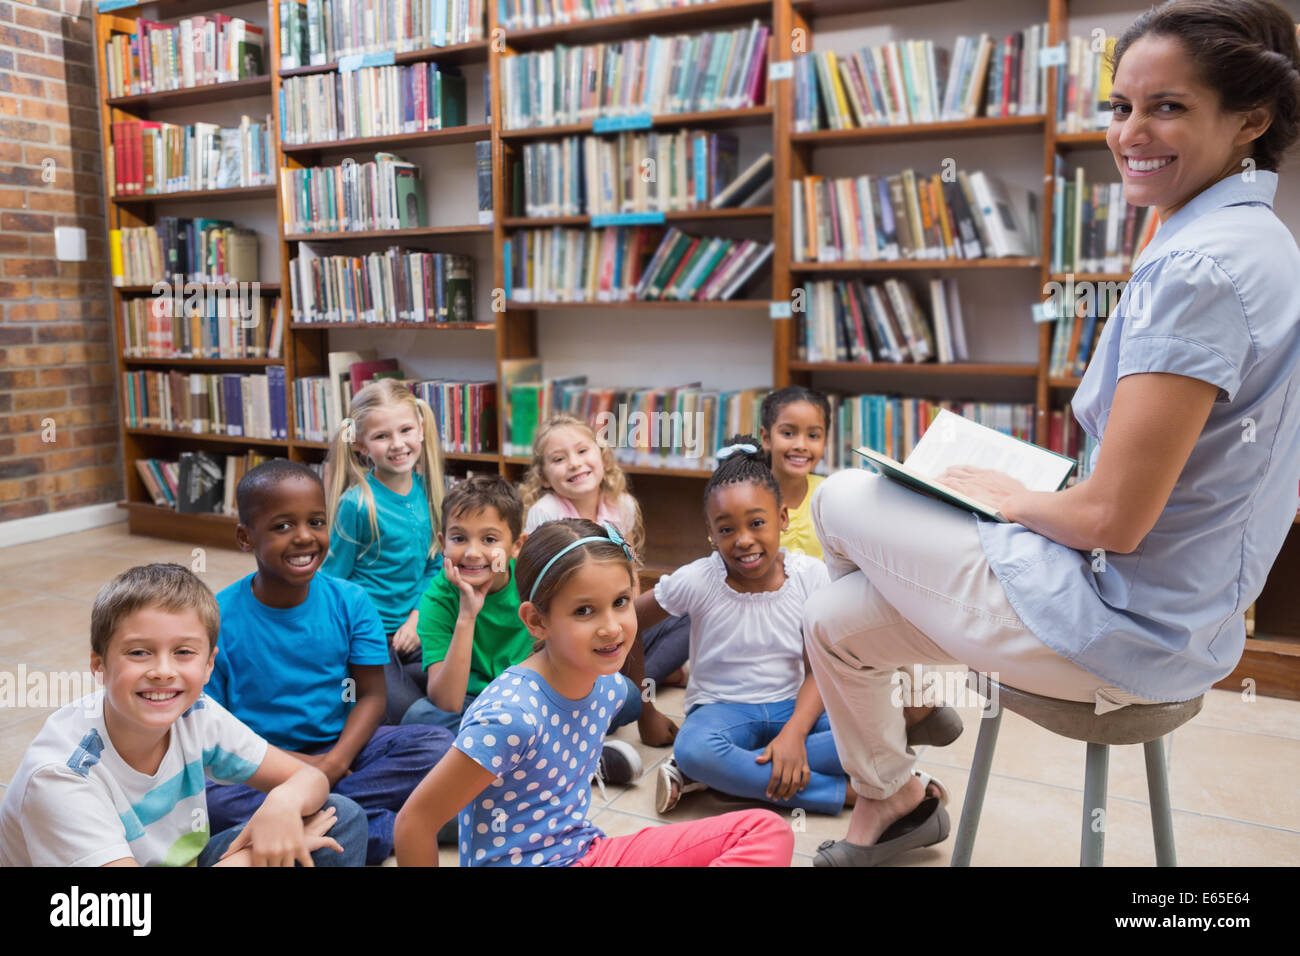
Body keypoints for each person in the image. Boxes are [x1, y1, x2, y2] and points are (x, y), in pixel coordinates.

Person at [803, 0, 1300, 866]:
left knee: (842, 497)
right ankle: (894, 798)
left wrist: (1017, 502)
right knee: (834, 618)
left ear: (1251, 120)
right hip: (1193, 619)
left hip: (1117, 628)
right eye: (1120, 107)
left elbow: (1114, 521)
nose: (1130, 132)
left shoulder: (1196, 269)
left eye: (1168, 106)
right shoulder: (1259, 237)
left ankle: (909, 725)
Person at [392, 519, 795, 867]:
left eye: (620, 602)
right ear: (536, 621)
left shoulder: (608, 688)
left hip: (587, 852)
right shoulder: (509, 716)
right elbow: (415, 822)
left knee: (765, 831)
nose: (611, 627)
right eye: (584, 610)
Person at [0, 564, 368, 867]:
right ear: (99, 665)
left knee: (338, 815)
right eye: (139, 652)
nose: (163, 671)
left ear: (209, 665)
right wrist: (250, 860)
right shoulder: (61, 776)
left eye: (183, 652)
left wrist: (282, 803)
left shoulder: (197, 714)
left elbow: (309, 778)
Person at [204, 460, 453, 865]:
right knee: (206, 797)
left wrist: (332, 764)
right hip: (254, 766)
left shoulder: (351, 602)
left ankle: (314, 822)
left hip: (342, 750)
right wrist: (300, 771)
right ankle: (375, 826)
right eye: (282, 526)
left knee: (436, 745)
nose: (304, 537)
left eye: (316, 521)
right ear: (245, 538)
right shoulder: (215, 618)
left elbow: (372, 696)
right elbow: (210, 728)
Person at [634, 437, 858, 815]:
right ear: (710, 533)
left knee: (868, 734)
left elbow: (820, 668)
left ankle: (720, 774)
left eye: (757, 523)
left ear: (782, 519)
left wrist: (794, 734)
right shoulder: (697, 579)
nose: (743, 541)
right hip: (722, 712)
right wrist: (645, 711)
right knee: (695, 749)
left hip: (794, 706)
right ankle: (848, 794)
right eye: (726, 530)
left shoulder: (810, 575)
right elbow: (628, 623)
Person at [403, 474, 644, 785]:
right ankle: (563, 758)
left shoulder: (535, 580)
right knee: (420, 718)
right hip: (473, 704)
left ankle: (545, 759)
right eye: (459, 538)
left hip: (537, 698)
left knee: (630, 697)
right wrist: (467, 615)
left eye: (489, 540)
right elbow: (447, 702)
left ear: (516, 544)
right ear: (442, 541)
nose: (473, 553)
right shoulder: (437, 598)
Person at [521, 413, 688, 747]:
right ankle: (635, 681)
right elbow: (542, 593)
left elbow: (629, 578)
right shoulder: (545, 513)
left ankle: (635, 678)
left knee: (684, 615)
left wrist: (630, 625)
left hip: (615, 623)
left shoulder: (621, 504)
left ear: (603, 457)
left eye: (583, 451)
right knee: (613, 709)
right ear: (543, 476)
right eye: (559, 458)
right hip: (575, 633)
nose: (574, 463)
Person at [322, 379, 446, 725]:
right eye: (381, 436)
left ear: (421, 430)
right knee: (417, 716)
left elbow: (434, 567)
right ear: (361, 445)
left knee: (461, 690)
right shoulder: (357, 504)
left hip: (416, 629)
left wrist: (417, 619)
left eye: (405, 430)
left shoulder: (432, 492)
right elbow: (332, 581)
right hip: (368, 637)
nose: (397, 444)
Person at [759, 386, 831, 559]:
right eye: (788, 433)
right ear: (766, 438)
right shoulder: (743, 496)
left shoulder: (829, 495)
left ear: (825, 441)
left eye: (813, 436)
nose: (801, 445)